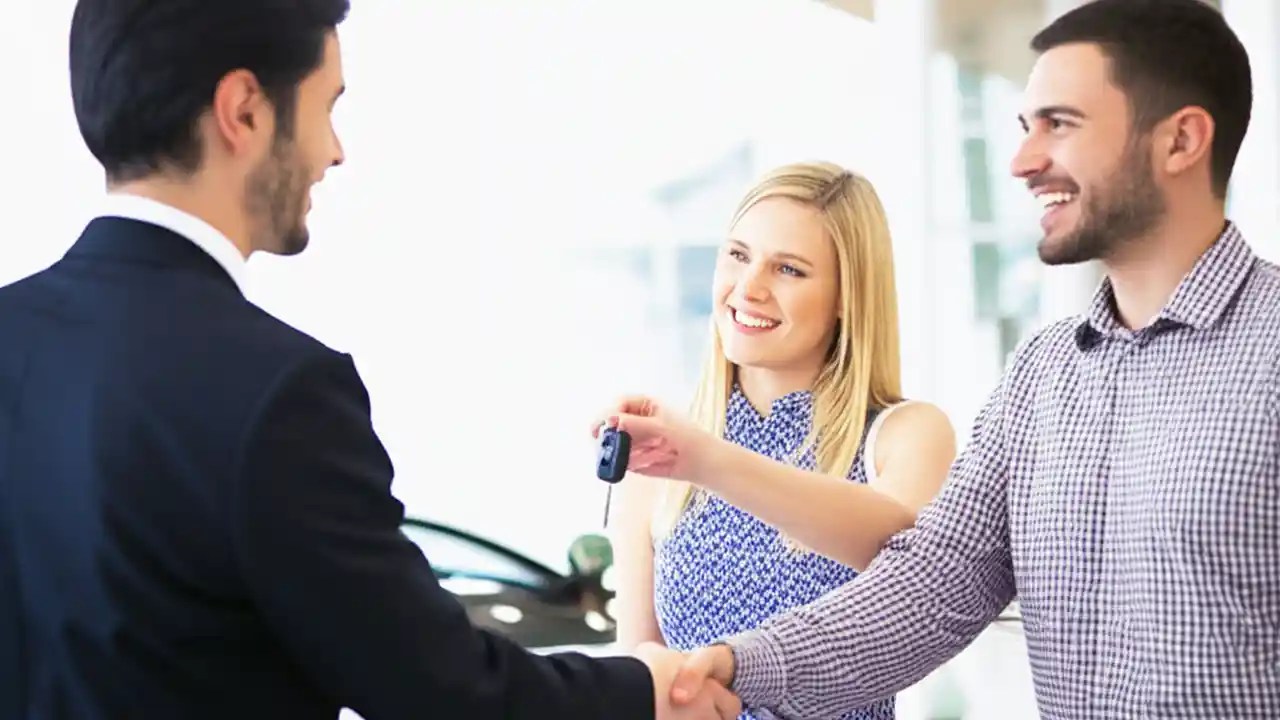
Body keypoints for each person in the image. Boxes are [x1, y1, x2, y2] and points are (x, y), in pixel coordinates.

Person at [0, 2, 741, 719]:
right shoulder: (277, 393)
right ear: (245, 111)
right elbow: (440, 689)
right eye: (328, 106)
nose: (335, 150)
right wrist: (641, 692)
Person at [603, 1, 1280, 718]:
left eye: (1062, 124)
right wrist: (738, 666)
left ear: (1181, 141)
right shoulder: (1042, 377)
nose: (1022, 161)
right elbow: (932, 582)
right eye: (1025, 128)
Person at [608, 161, 955, 720]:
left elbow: (908, 557)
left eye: (789, 269)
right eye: (738, 255)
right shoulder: (666, 461)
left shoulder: (905, 434)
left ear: (848, 295)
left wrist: (705, 459)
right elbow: (640, 672)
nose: (749, 288)